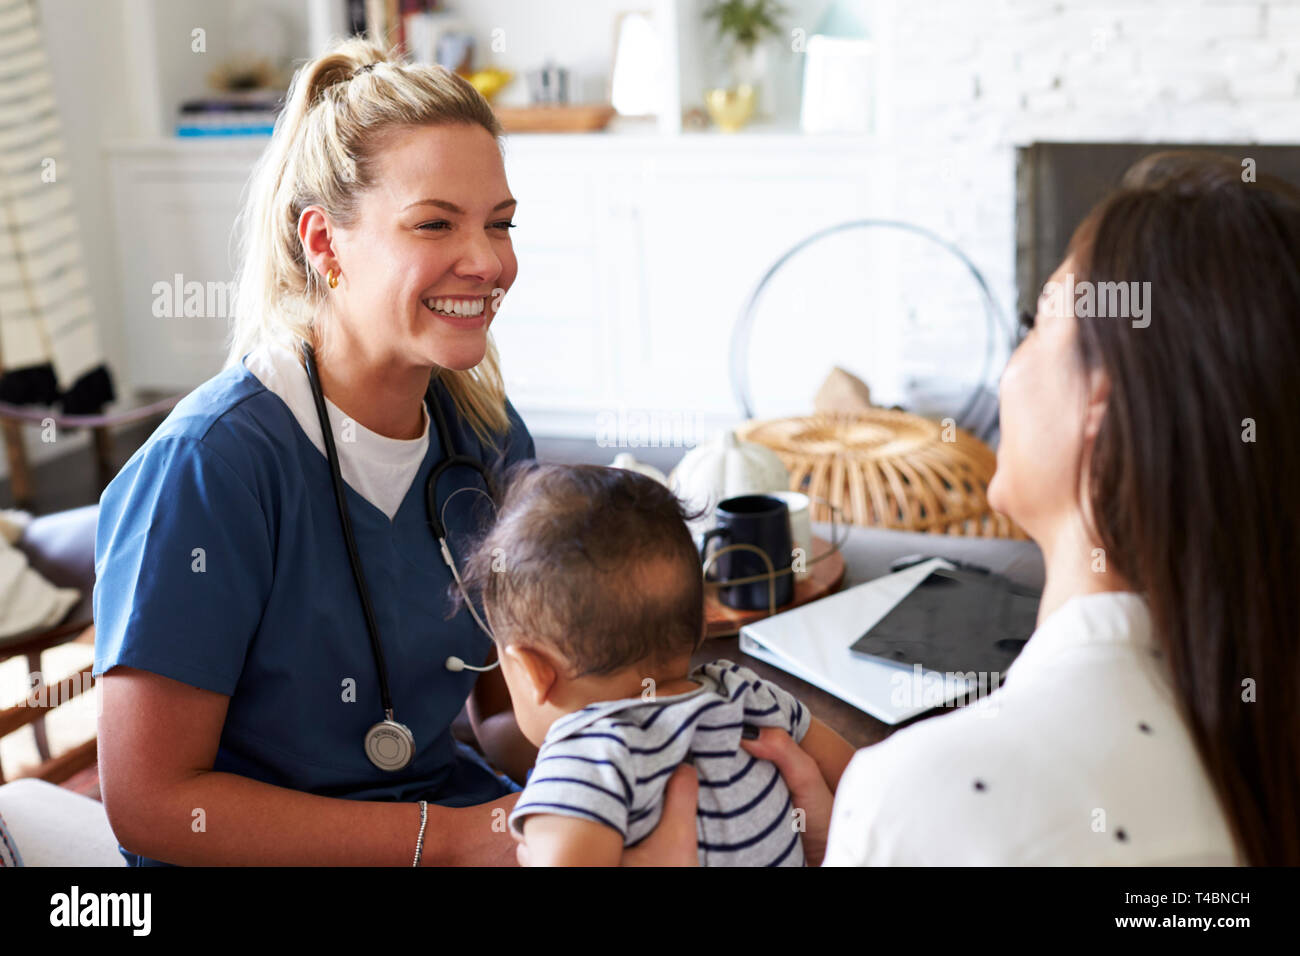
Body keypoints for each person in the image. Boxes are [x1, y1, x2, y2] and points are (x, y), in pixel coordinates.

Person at [91, 38, 695, 866]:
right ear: (325, 244)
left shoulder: (486, 438)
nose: (488, 262)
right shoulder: (210, 468)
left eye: (500, 223)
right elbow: (151, 804)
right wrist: (446, 840)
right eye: (434, 224)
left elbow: (499, 713)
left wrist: (628, 767)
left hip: (445, 814)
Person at [733, 152, 1300, 866]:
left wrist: (886, 824)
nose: (1014, 363)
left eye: (1037, 323)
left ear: (1102, 398)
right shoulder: (1261, 743)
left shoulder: (924, 796)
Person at [451, 463, 856, 865]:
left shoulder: (582, 763)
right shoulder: (749, 694)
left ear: (532, 670)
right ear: (698, 623)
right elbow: (861, 782)